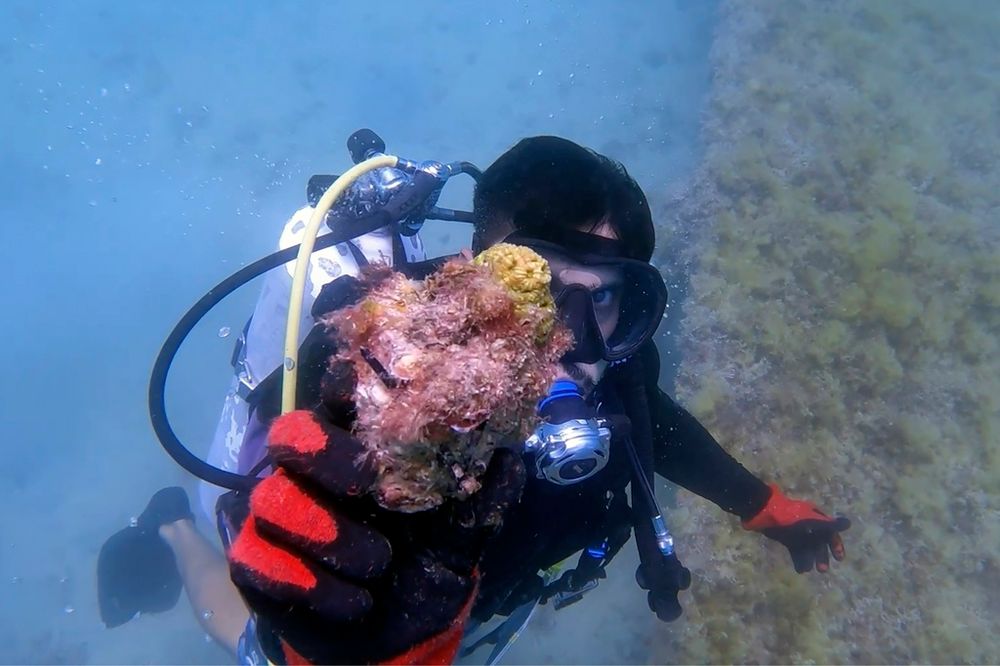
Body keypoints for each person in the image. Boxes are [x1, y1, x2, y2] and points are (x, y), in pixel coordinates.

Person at [100, 136, 850, 665]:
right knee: (240, 636)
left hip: (482, 610)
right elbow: (283, 515)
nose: (574, 342)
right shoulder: (371, 368)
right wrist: (314, 647)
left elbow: (654, 419)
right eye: (546, 292)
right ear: (475, 273)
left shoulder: (612, 357)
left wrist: (762, 505)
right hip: (327, 613)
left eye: (609, 298)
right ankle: (170, 529)